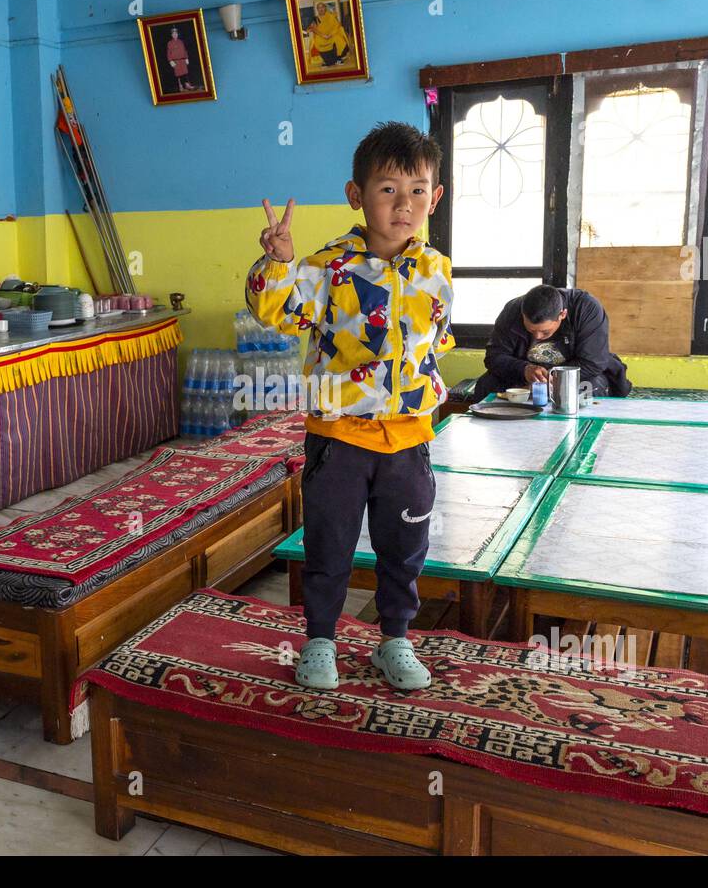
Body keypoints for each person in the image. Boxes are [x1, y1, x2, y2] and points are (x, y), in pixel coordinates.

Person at [246, 122, 453, 692]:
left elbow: (436, 340)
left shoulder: (436, 268)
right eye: (387, 189)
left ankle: (395, 641)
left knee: (404, 546)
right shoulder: (326, 267)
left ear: (434, 198)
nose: (403, 204)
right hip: (338, 439)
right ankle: (319, 641)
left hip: (409, 441)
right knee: (329, 544)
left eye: (417, 190)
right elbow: (276, 311)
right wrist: (278, 262)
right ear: (356, 196)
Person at [472, 284, 631, 402]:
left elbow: (593, 362)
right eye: (531, 330)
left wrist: (550, 378)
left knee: (592, 387)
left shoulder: (586, 308)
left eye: (545, 332)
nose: (538, 336)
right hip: (523, 377)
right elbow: (494, 357)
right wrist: (524, 370)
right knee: (486, 384)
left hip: (576, 376)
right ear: (522, 315)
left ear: (562, 314)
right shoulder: (512, 310)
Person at [307, 2, 350, 68]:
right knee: (318, 41)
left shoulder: (331, 16)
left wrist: (330, 34)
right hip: (322, 37)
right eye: (319, 8)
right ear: (317, 10)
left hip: (332, 35)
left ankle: (338, 58)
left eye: (322, 7)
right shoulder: (316, 19)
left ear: (325, 8)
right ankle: (330, 61)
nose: (321, 9)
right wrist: (323, 35)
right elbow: (313, 29)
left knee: (338, 39)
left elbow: (337, 26)